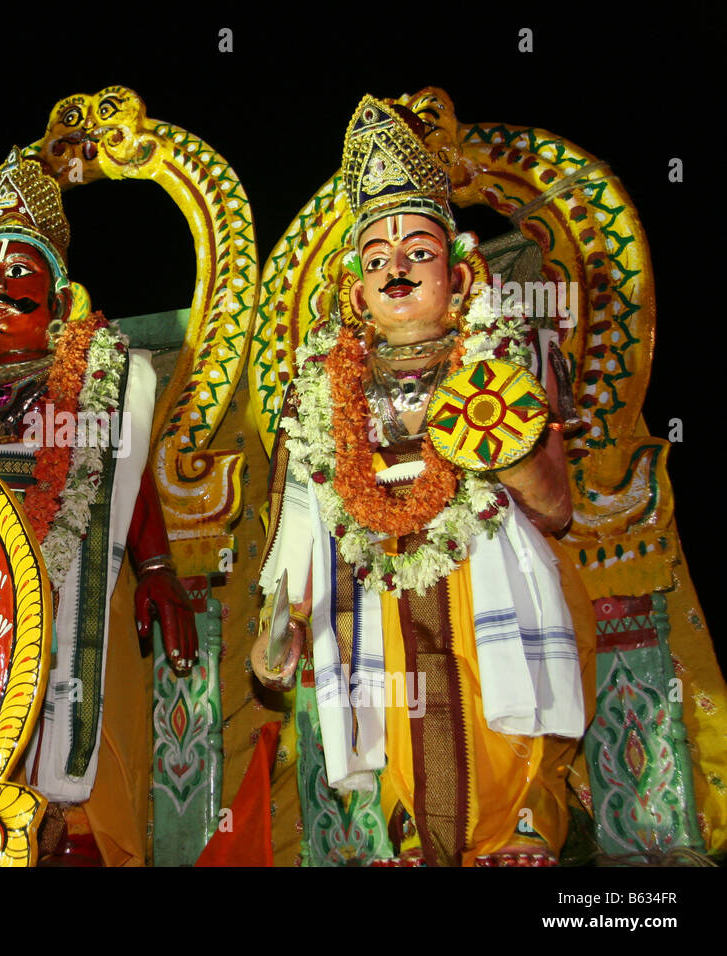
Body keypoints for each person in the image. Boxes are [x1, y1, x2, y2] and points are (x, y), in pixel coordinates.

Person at [251, 97, 593, 866]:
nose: (394, 268)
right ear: (354, 293)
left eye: (417, 252)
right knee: (389, 690)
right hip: (374, 567)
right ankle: (412, 830)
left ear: (463, 275)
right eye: (374, 259)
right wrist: (282, 619)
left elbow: (559, 506)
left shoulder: (499, 356)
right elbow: (300, 522)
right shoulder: (326, 388)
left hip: (487, 556)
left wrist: (498, 442)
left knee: (495, 679)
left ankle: (523, 826)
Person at [0, 150, 196, 864]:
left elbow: (124, 478)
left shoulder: (101, 379)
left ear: (62, 299)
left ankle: (70, 843)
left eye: (16, 276)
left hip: (75, 584)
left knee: (84, 757)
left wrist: (158, 568)